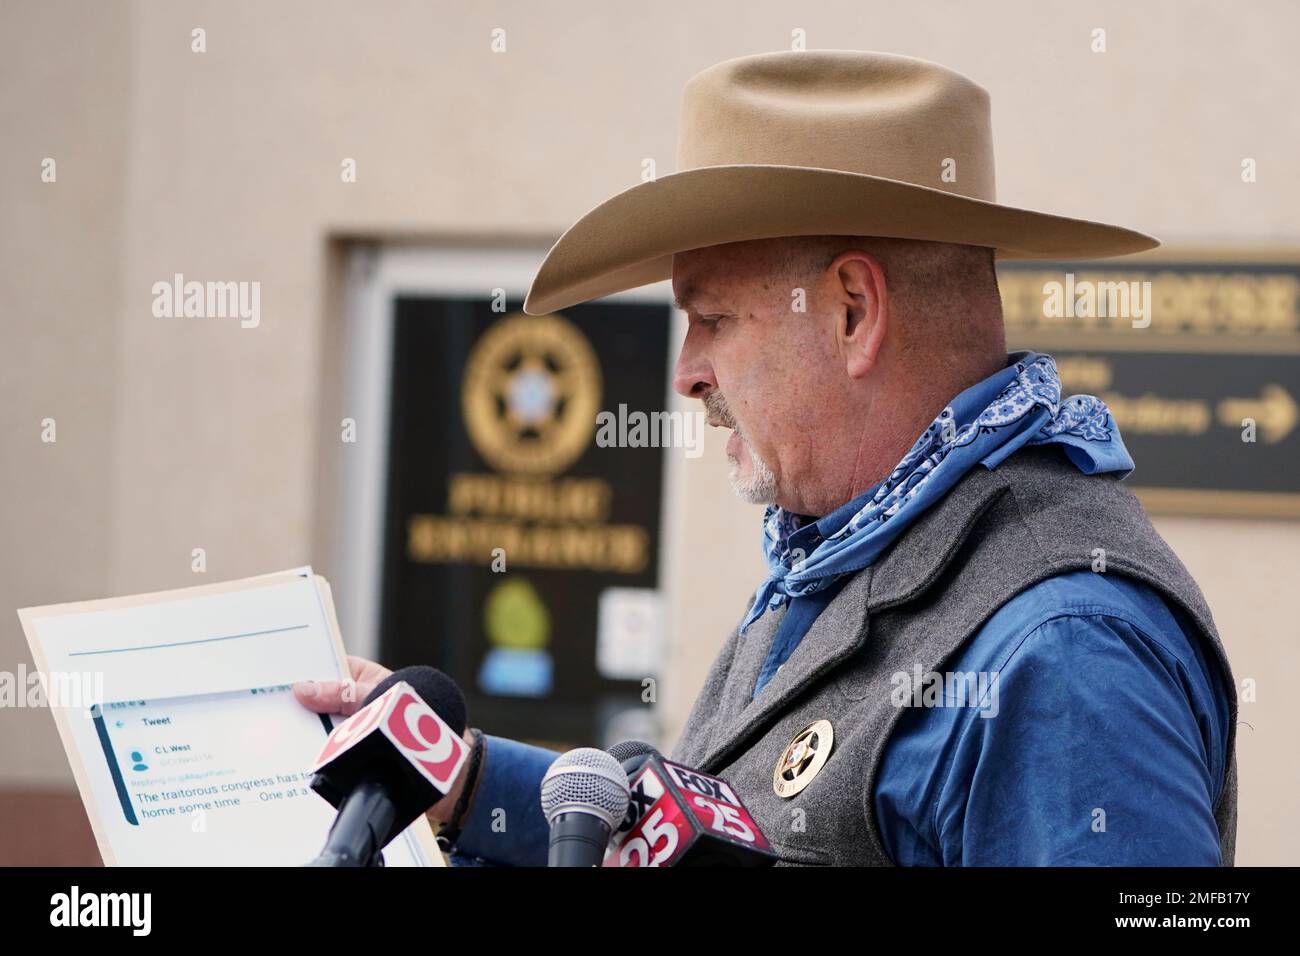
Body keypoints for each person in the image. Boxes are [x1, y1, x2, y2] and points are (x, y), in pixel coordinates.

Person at [296, 51, 1236, 866]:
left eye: (711, 320)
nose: (685, 375)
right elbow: (703, 844)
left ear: (852, 313)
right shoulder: (845, 553)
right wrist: (456, 779)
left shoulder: (1064, 654)